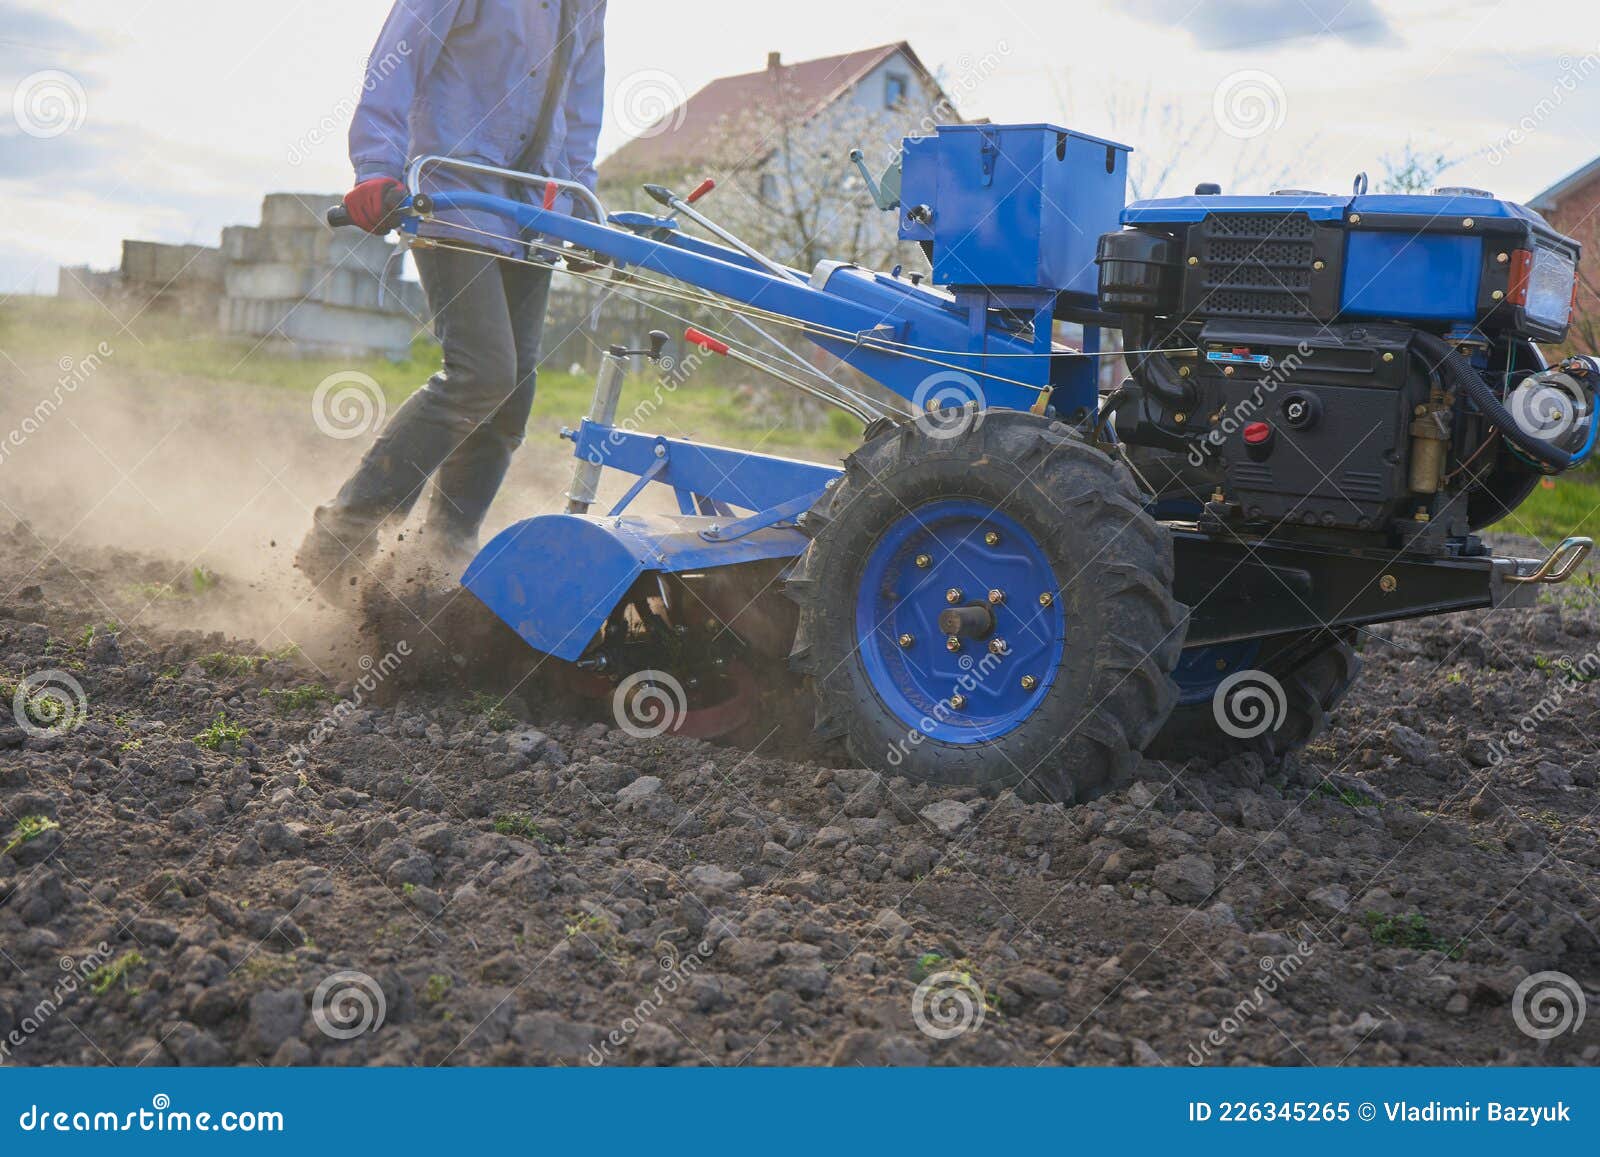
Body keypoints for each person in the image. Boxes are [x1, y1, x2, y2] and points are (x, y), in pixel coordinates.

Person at [297, 0, 608, 596]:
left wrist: (579, 206)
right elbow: (396, 61)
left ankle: (434, 567)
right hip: (450, 193)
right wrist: (376, 167)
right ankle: (342, 538)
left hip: (531, 208)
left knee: (511, 397)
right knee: (482, 374)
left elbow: (581, 108)